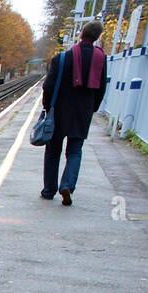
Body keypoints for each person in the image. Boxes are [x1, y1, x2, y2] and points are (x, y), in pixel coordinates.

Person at [41, 21, 108, 206]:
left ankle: (48, 191)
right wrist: (92, 108)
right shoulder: (100, 59)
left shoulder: (62, 58)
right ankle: (68, 184)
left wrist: (47, 107)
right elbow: (101, 87)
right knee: (75, 151)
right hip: (83, 112)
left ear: (80, 34)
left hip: (60, 111)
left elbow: (48, 86)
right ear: (97, 37)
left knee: (53, 151)